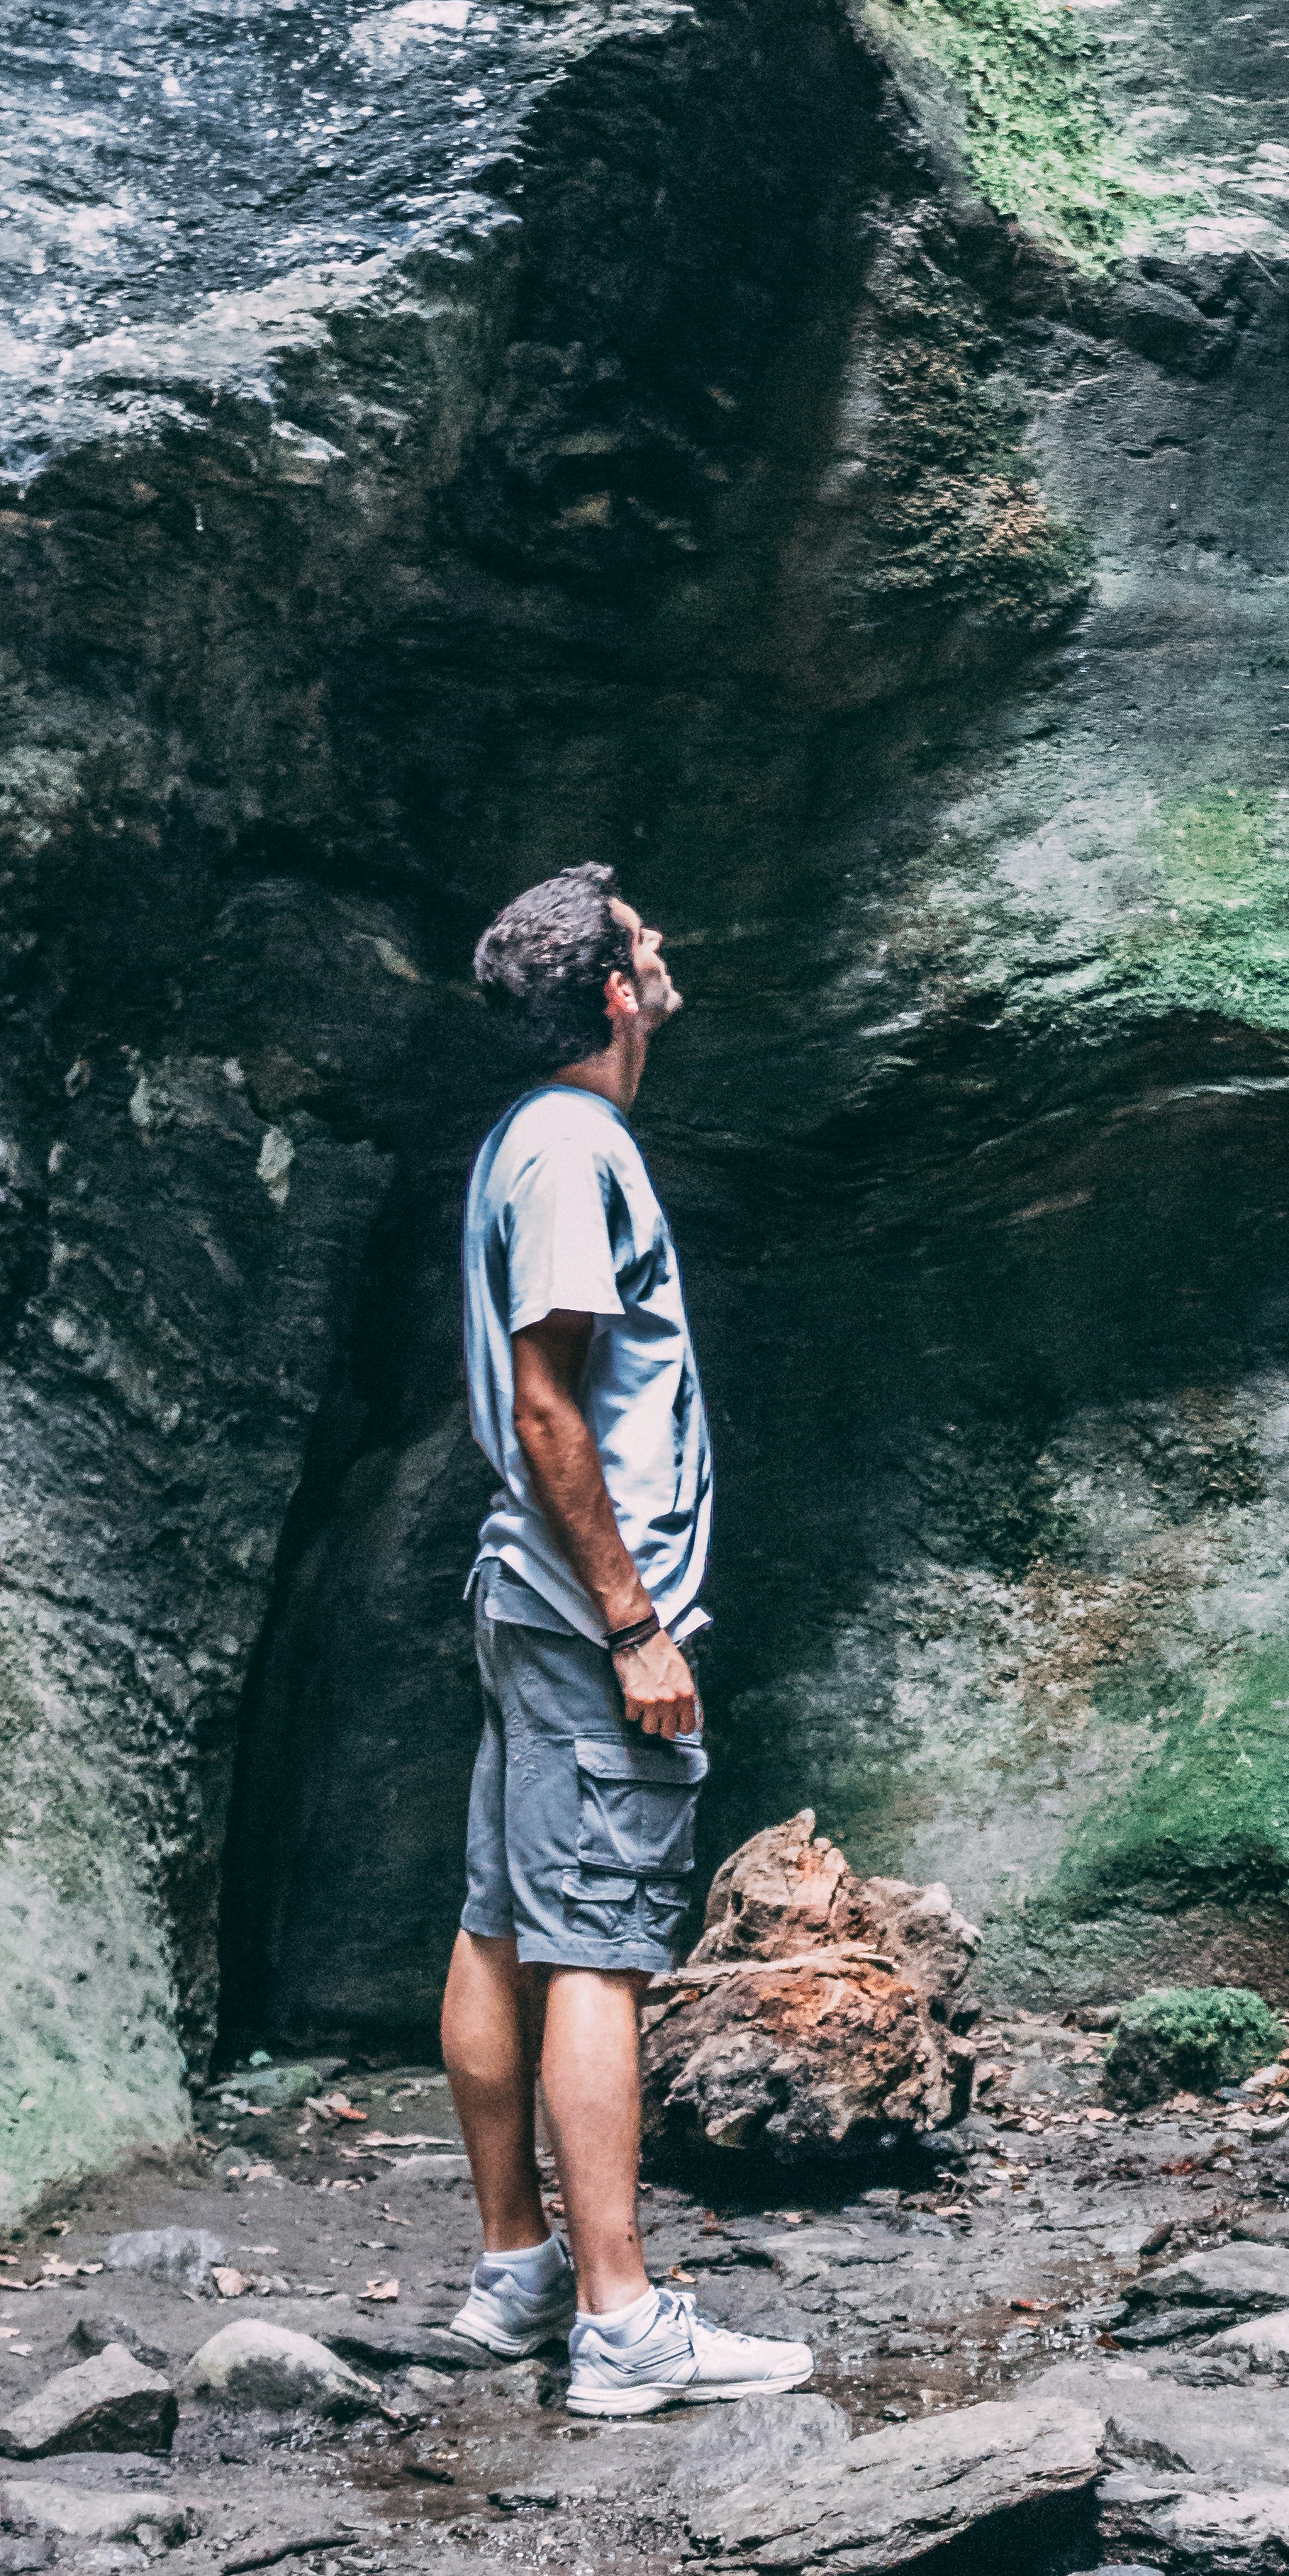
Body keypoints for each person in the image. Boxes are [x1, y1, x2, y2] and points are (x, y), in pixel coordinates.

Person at [437, 861, 808, 2418]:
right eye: (647, 944)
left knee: (502, 1923)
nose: (667, 958)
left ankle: (522, 2269)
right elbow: (547, 1408)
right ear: (608, 991)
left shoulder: (540, 1144)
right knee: (602, 1948)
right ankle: (620, 2323)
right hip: (590, 1617)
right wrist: (636, 1624)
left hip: (528, 1602)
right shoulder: (573, 1148)